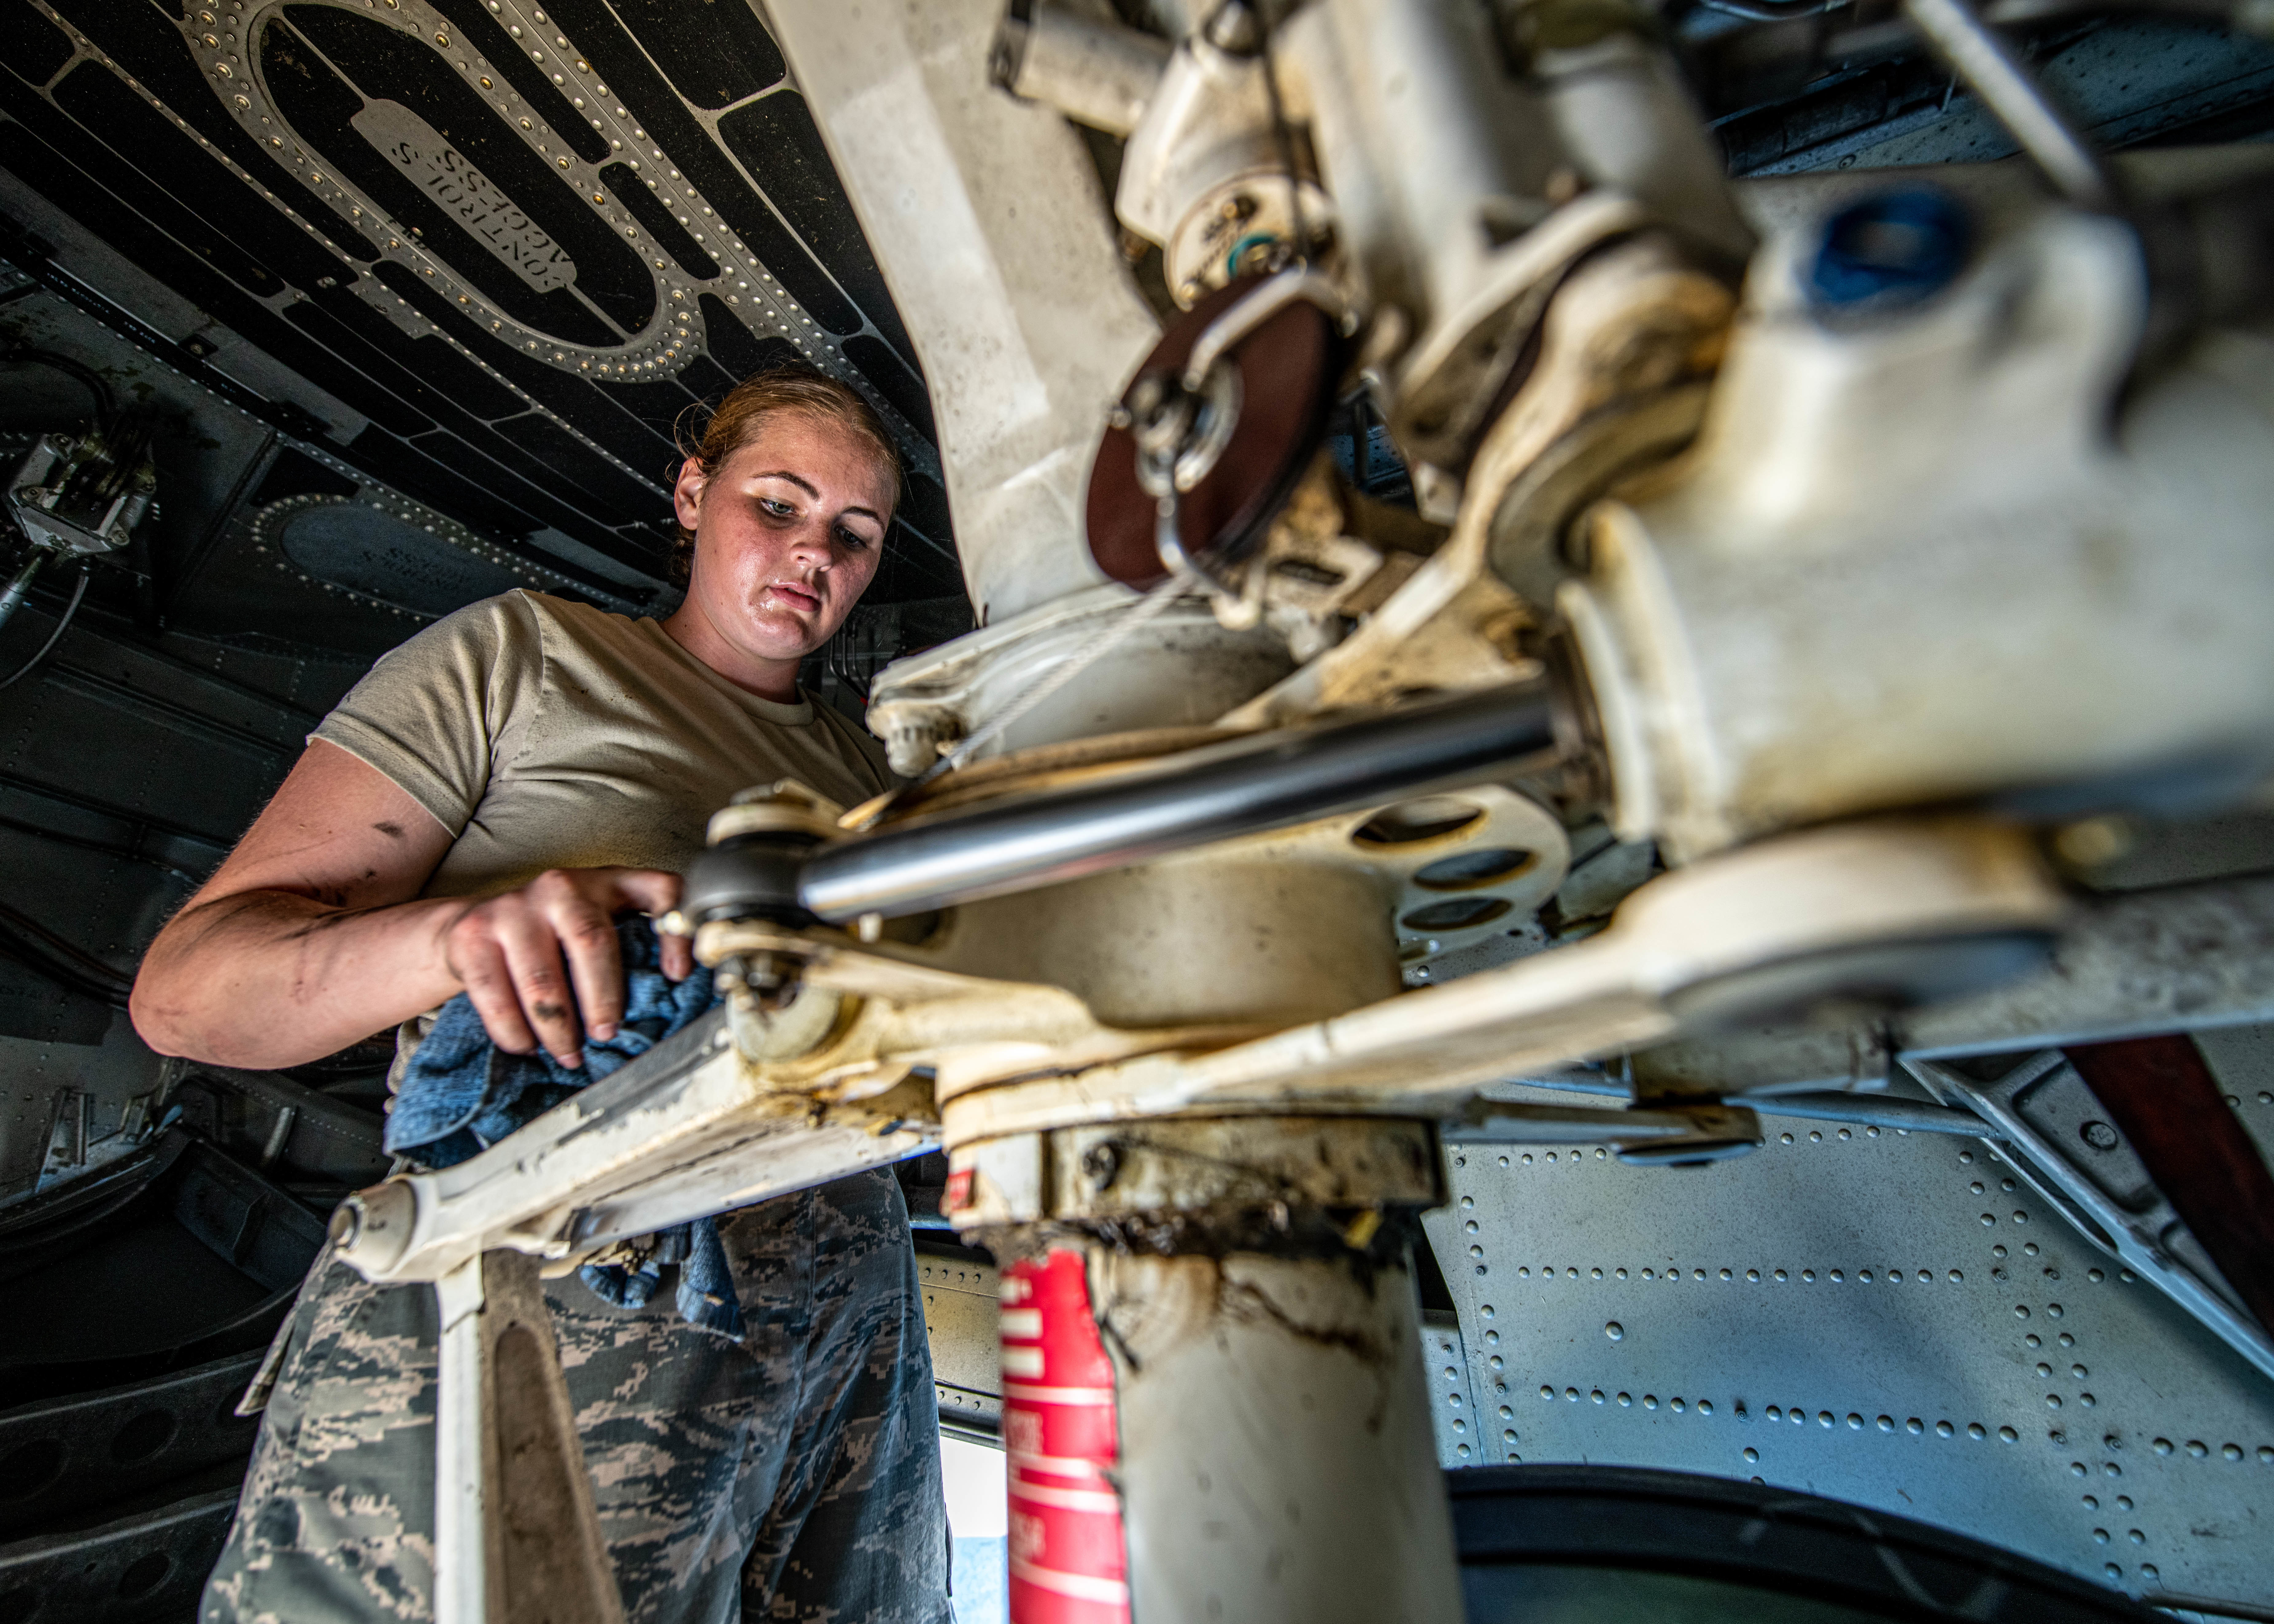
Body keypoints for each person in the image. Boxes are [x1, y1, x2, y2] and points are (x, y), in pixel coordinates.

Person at [130, 366, 950, 1624]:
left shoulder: (870, 776)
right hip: (531, 1305)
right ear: (691, 492)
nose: (812, 555)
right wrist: (462, 936)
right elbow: (191, 997)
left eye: (853, 534)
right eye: (775, 506)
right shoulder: (526, 657)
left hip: (838, 1337)